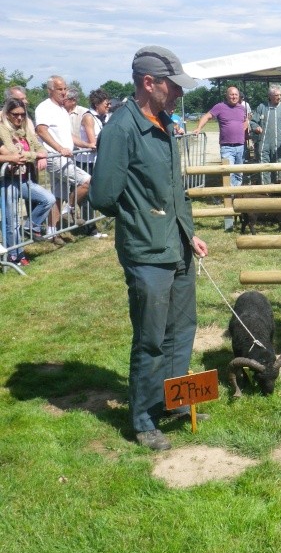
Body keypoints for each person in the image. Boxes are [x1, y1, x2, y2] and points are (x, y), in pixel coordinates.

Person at [88, 45, 209, 451]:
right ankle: (143, 419)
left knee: (181, 330)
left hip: (177, 246)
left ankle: (174, 403)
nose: (178, 94)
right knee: (151, 338)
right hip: (146, 252)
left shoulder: (165, 121)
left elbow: (174, 189)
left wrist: (186, 231)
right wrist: (146, 215)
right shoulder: (121, 129)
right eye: (172, 87)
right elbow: (103, 195)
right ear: (148, 83)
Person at [0, 99, 58, 264]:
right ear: (7, 114)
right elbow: (14, 155)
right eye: (15, 114)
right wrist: (34, 156)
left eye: (22, 115)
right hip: (7, 182)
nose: (19, 118)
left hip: (24, 179)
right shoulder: (2, 131)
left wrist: (41, 154)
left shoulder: (24, 130)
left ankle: (30, 225)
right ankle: (15, 255)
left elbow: (39, 147)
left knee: (48, 199)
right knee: (11, 220)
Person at [35, 75, 90, 228]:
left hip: (65, 157)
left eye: (65, 88)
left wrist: (87, 144)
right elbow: (41, 130)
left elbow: (68, 135)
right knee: (87, 181)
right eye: (60, 89)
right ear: (50, 90)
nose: (64, 92)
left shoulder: (62, 109)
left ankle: (53, 232)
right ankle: (69, 209)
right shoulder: (44, 108)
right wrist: (60, 148)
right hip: (56, 157)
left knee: (57, 196)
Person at [194, 86, 248, 187]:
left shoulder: (242, 108)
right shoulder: (220, 107)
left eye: (236, 94)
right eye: (231, 94)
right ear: (227, 96)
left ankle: (236, 193)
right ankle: (230, 196)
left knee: (239, 172)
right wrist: (199, 128)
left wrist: (242, 132)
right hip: (227, 146)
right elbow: (207, 116)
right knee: (229, 172)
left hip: (240, 146)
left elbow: (245, 121)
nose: (234, 97)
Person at [78, 88, 113, 239]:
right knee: (88, 194)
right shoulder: (89, 117)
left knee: (94, 192)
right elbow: (93, 141)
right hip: (86, 161)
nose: (109, 106)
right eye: (106, 103)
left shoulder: (102, 117)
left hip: (97, 159)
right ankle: (89, 228)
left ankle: (91, 225)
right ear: (97, 103)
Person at [250, 85, 281, 185]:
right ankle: (265, 190)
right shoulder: (262, 107)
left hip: (279, 144)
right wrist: (256, 127)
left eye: (280, 95)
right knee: (263, 167)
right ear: (270, 96)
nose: (279, 97)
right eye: (276, 95)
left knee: (278, 167)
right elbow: (253, 122)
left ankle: (279, 191)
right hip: (263, 144)